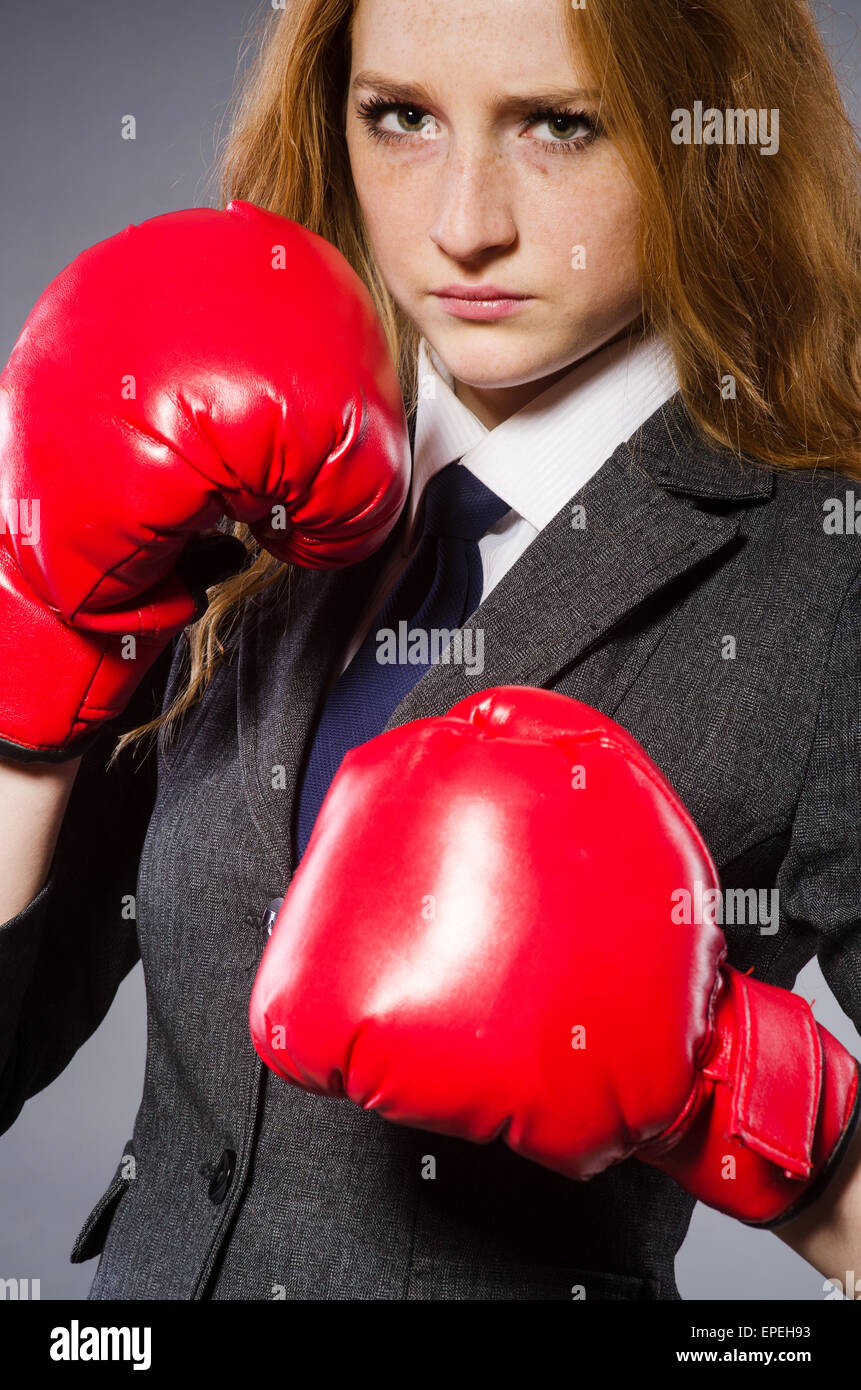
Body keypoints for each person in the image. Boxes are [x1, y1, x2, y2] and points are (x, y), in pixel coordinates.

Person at [1, 0, 860, 1301]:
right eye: (401, 116)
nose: (465, 222)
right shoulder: (238, 472)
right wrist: (36, 650)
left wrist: (732, 1087)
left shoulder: (820, 573)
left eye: (560, 126)